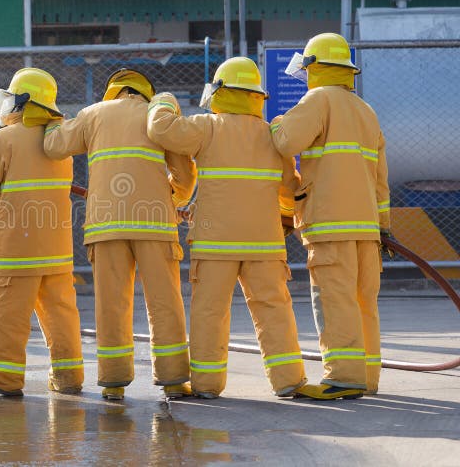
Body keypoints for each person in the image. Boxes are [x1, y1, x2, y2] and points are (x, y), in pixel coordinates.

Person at [147, 57, 307, 399]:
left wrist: (163, 100)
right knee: (274, 310)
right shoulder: (271, 136)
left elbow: (160, 129)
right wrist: (281, 219)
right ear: (256, 96)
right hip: (264, 244)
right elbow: (290, 188)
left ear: (220, 92)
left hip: (215, 243)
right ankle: (288, 380)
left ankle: (206, 384)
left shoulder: (206, 127)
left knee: (209, 312)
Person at [43, 68, 196, 400]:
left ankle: (113, 382)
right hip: (155, 226)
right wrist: (173, 199)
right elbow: (183, 174)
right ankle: (172, 380)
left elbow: (54, 146)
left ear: (112, 92)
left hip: (105, 226)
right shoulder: (157, 115)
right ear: (145, 93)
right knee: (164, 302)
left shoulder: (92, 115)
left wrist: (51, 119)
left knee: (112, 304)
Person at [270, 32, 391, 400]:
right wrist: (384, 228)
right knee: (362, 301)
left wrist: (275, 123)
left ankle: (343, 376)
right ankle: (367, 375)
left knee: (335, 301)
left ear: (316, 68)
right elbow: (381, 180)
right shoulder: (365, 111)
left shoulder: (318, 100)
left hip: (329, 224)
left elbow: (287, 141)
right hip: (367, 229)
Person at [0, 68, 84, 397]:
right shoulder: (59, 141)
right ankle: (69, 378)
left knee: (6, 316)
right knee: (61, 316)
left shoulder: (5, 139)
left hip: (16, 250)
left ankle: (1, 379)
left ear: (22, 102)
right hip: (56, 251)